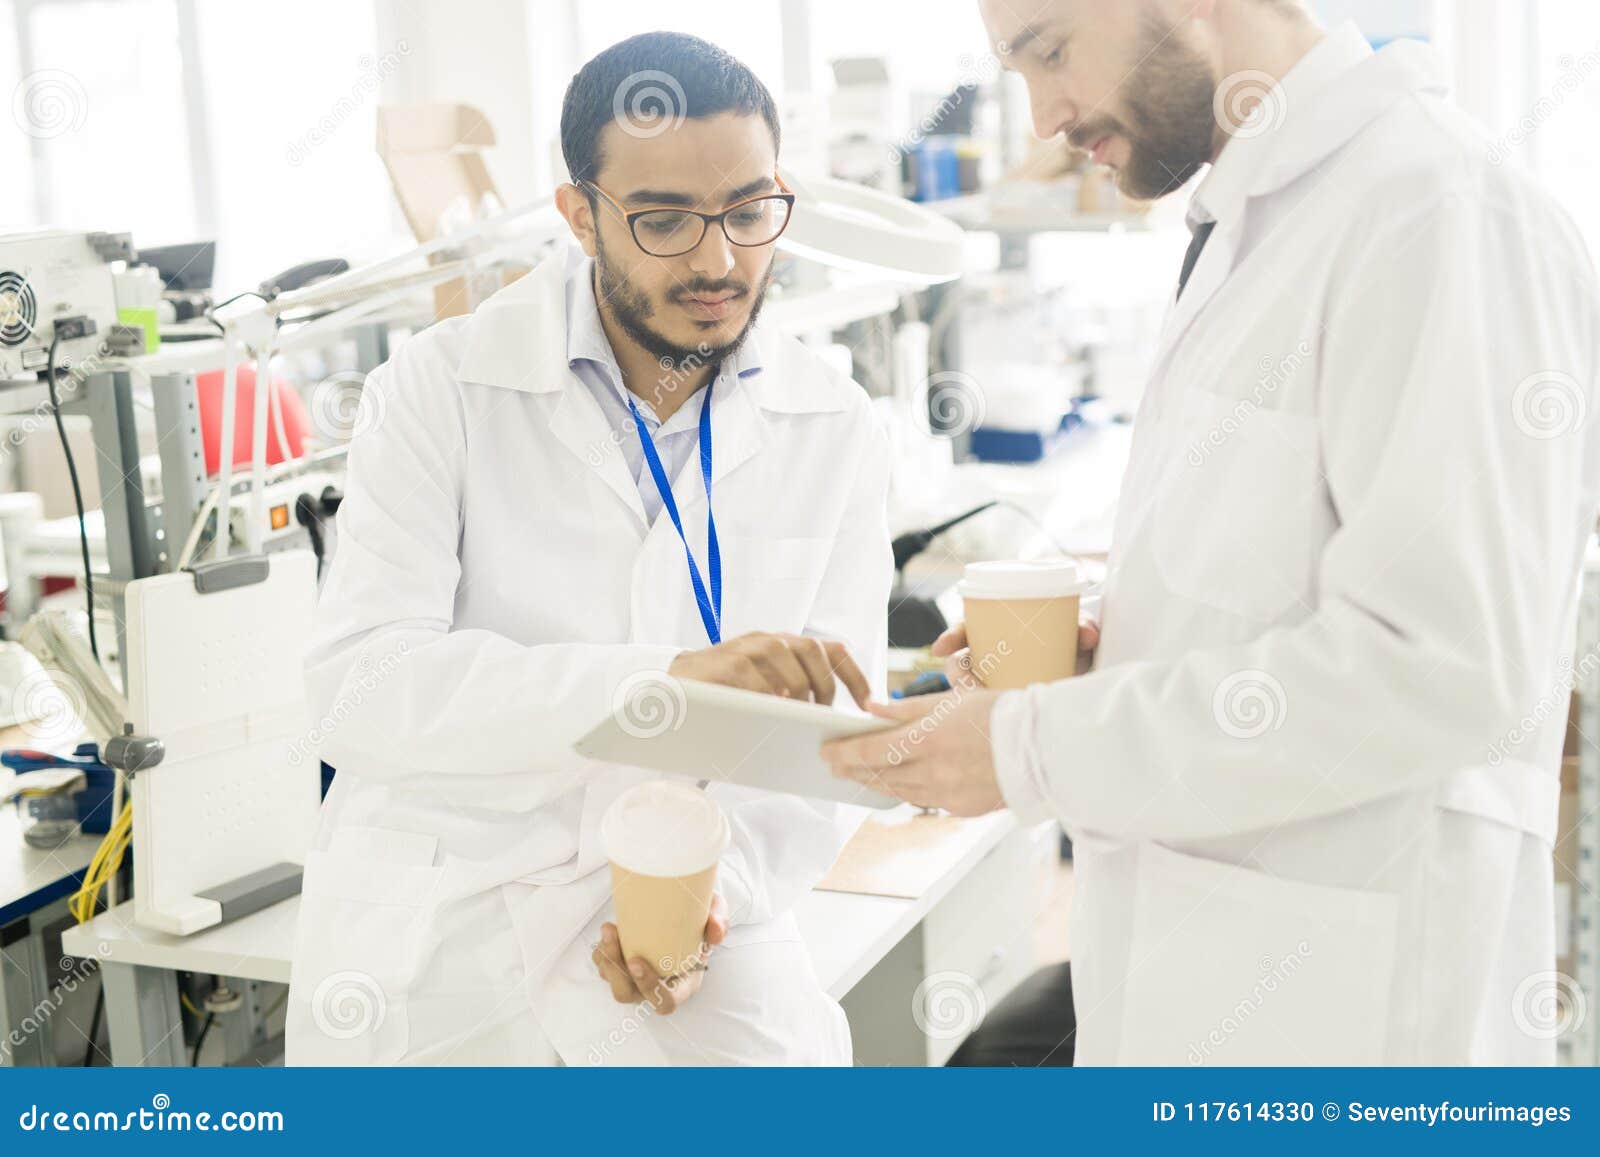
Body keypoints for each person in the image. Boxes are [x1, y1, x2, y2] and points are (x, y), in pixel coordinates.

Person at [825, 0, 1600, 1065]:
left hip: (1353, 1028)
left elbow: (1446, 669)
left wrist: (1028, 748)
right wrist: (1111, 656)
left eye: (1050, 50)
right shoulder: (1252, 224)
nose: (1043, 116)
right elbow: (1276, 594)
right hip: (1206, 992)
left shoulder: (1440, 213)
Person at [287, 31, 893, 1065]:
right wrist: (660, 684)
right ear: (579, 215)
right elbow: (361, 687)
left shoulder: (832, 422)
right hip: (448, 940)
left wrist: (708, 895)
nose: (717, 261)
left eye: (749, 211)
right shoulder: (438, 389)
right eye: (664, 221)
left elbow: (830, 742)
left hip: (697, 926)